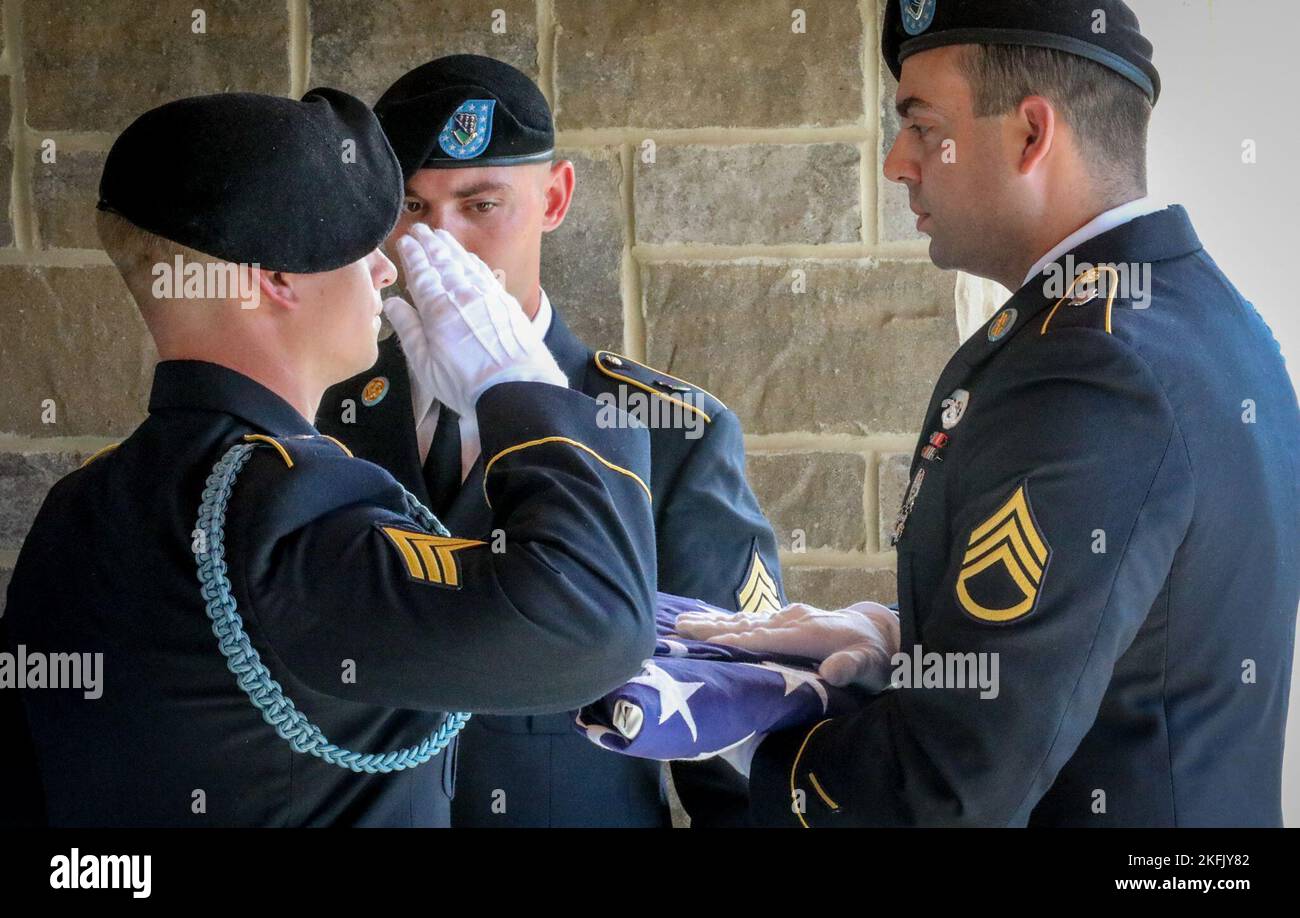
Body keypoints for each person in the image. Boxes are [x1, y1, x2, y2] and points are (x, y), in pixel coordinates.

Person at [681, 0, 1300, 827]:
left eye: (920, 124)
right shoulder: (1197, 317)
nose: (899, 163)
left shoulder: (1092, 366)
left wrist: (734, 727)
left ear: (1030, 134)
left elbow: (948, 789)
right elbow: (1126, 623)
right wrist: (903, 639)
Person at [0, 88, 657, 827]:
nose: (384, 271)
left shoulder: (83, 501)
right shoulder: (284, 511)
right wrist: (526, 393)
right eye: (357, 246)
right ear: (277, 278)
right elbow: (593, 628)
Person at [315, 55, 784, 827]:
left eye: (481, 204)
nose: (442, 244)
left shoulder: (667, 434)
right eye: (411, 208)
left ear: (554, 197)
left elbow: (731, 738)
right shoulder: (327, 413)